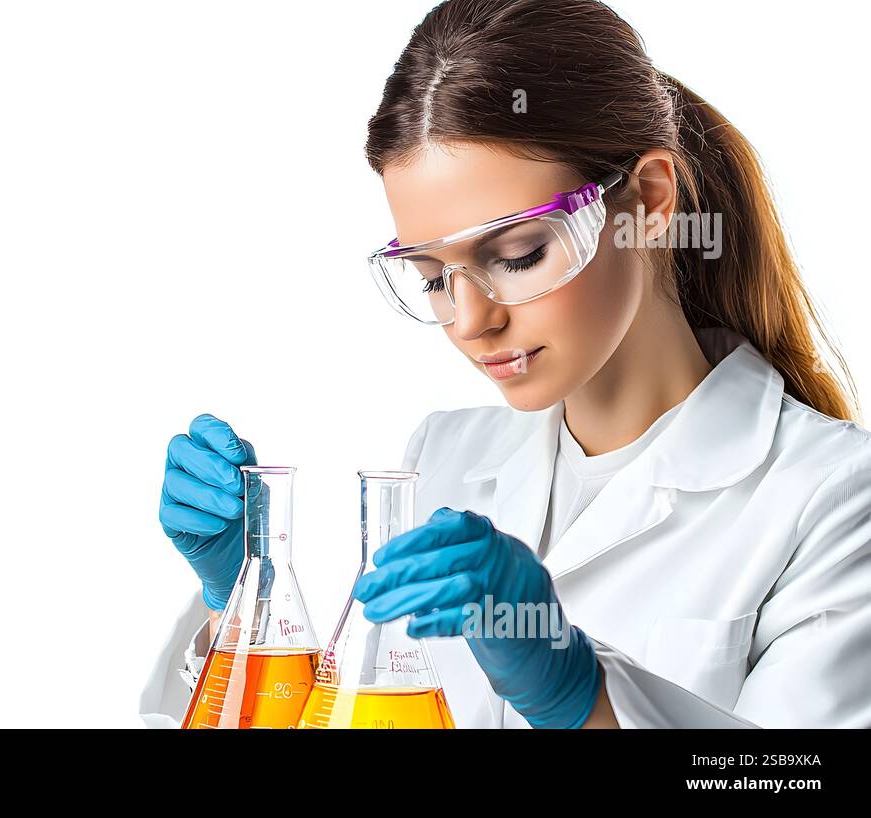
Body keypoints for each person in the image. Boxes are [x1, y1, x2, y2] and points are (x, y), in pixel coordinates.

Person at [143, 0, 871, 728]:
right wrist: (245, 602)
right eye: (433, 277)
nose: (471, 320)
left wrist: (581, 692)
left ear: (649, 201)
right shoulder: (445, 458)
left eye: (518, 256)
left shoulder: (833, 497)